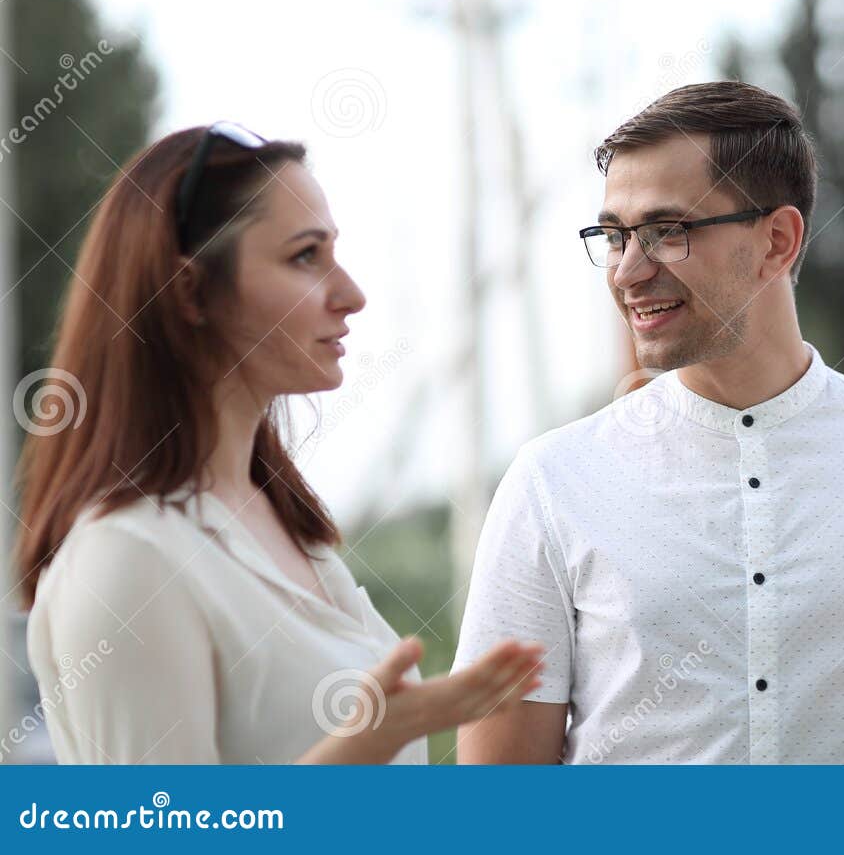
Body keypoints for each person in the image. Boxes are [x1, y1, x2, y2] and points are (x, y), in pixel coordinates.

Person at [454, 81, 844, 763]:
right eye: (613, 236)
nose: (628, 271)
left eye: (665, 232)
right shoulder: (551, 482)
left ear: (778, 240)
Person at [17, 123, 544, 763]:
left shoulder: (285, 526)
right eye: (304, 256)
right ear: (189, 292)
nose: (351, 295)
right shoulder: (127, 560)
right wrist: (364, 746)